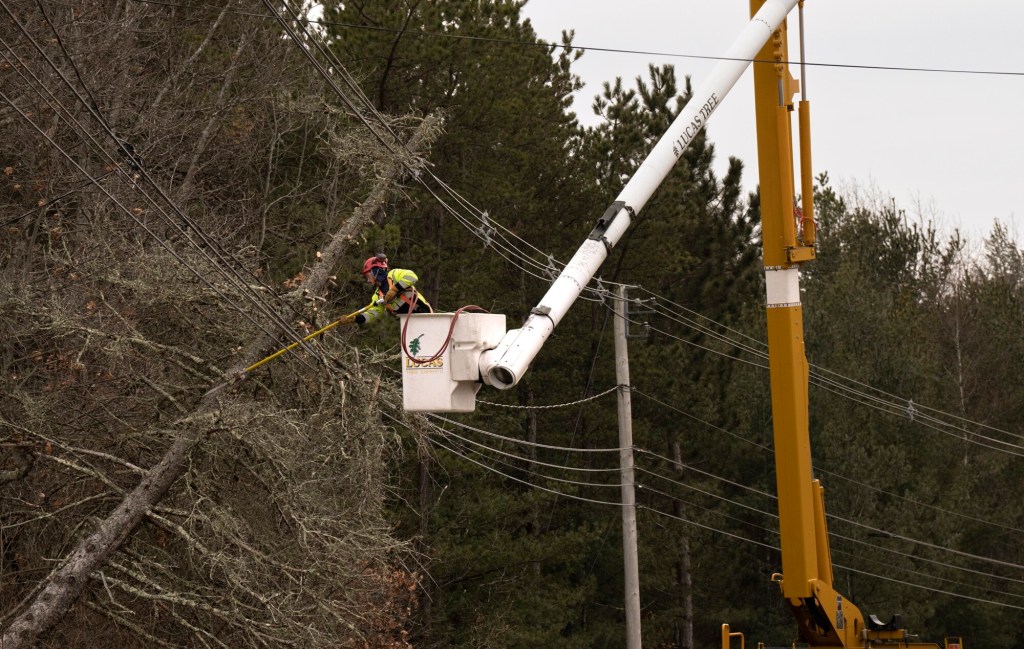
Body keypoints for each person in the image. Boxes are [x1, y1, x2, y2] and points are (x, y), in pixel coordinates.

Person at [341, 253, 433, 325]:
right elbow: (372, 314)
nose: (368, 280)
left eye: (368, 276)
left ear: (375, 271)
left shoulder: (393, 275)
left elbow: (412, 277)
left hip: (425, 314)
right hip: (409, 324)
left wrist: (394, 290)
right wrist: (355, 319)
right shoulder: (378, 296)